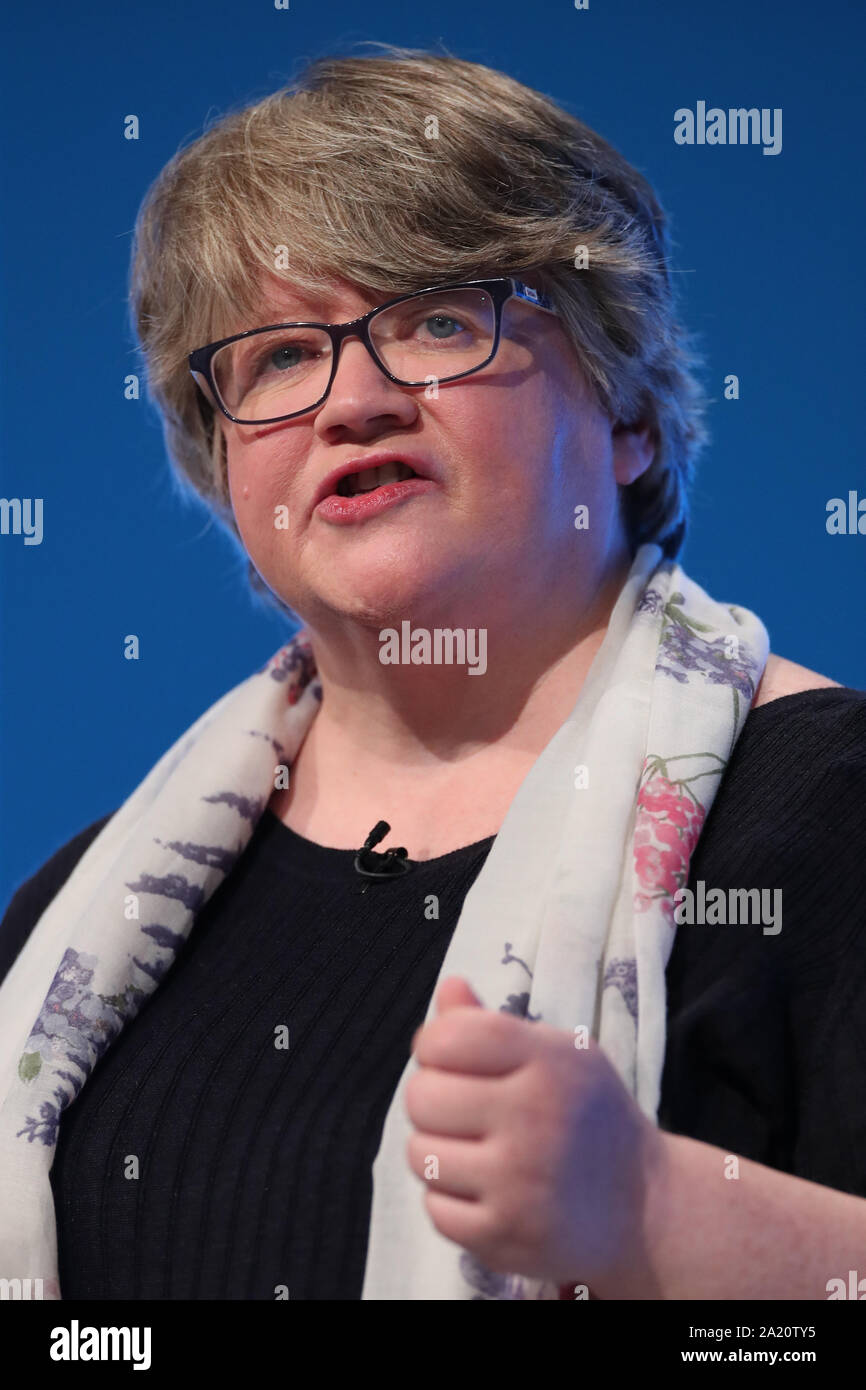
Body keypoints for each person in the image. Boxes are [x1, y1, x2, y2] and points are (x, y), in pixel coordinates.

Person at [1, 47, 865, 1303]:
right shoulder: (74, 919)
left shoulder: (829, 809)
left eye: (439, 322)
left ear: (626, 416)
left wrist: (660, 1218)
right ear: (228, 476)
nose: (351, 399)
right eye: (279, 358)